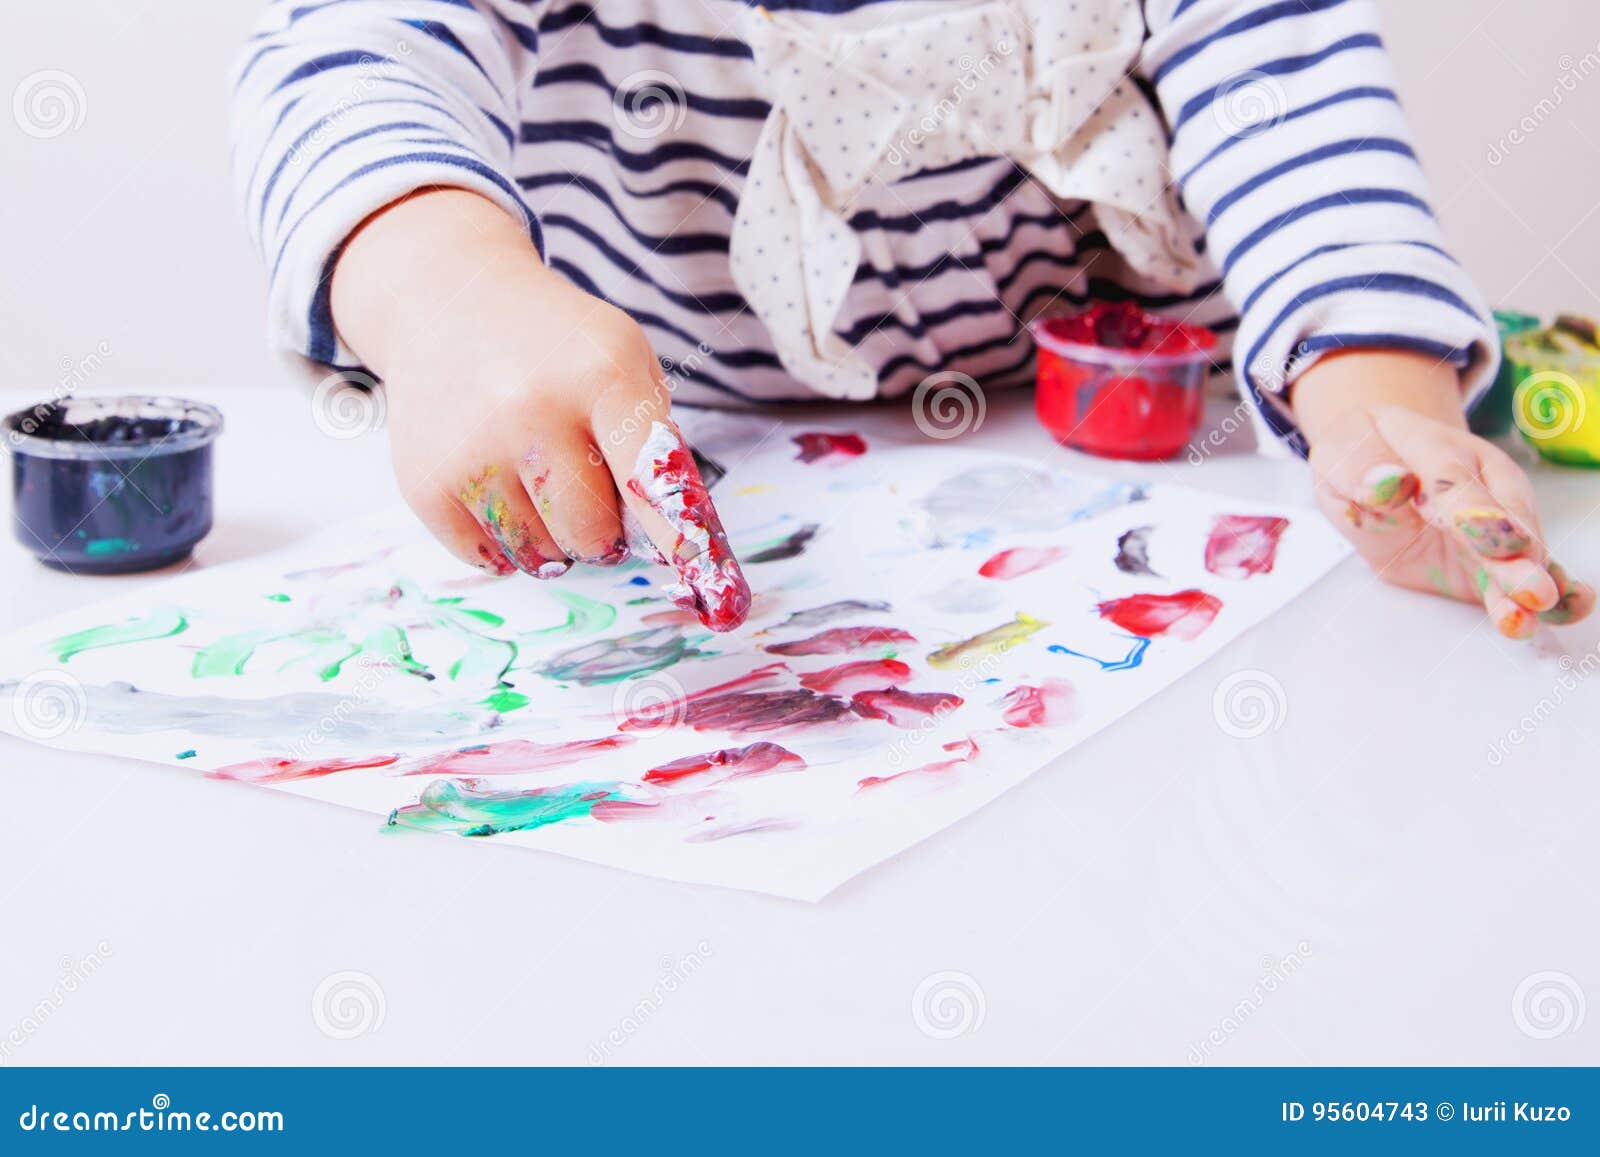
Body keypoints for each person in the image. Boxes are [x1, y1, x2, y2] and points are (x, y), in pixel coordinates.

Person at [229, 0, 1593, 636]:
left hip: (1123, 466)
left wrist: (1373, 392)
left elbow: (1281, 84)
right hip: (683, 449)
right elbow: (349, 55)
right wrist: (446, 292)